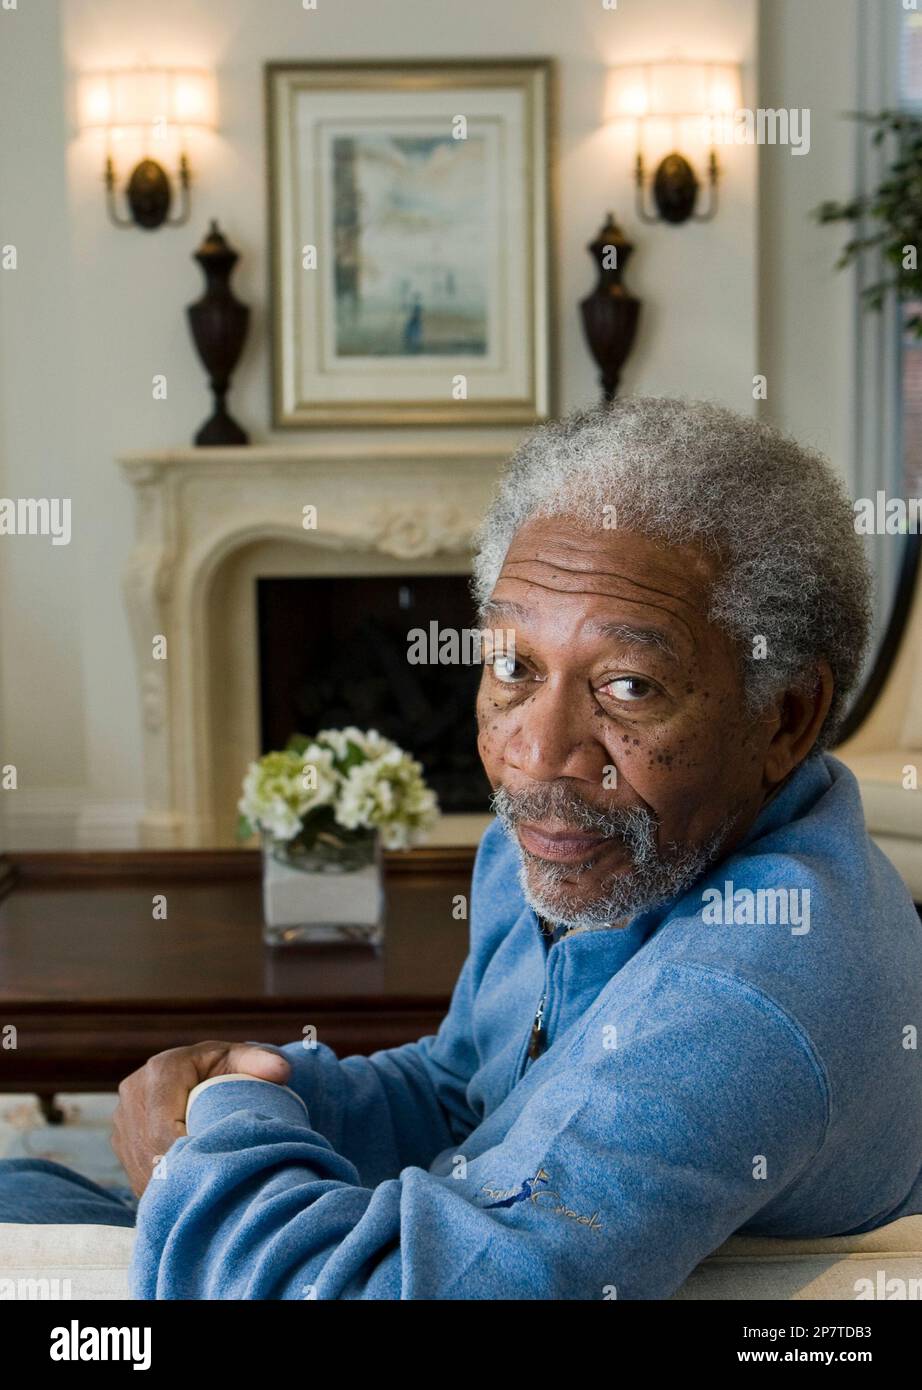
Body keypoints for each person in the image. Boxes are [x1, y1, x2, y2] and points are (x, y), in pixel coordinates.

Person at [2, 397, 921, 1300]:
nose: (536, 753)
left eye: (630, 684)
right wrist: (261, 1083)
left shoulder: (740, 994)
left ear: (787, 718)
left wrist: (225, 1127)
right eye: (515, 667)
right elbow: (464, 1093)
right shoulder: (592, 844)